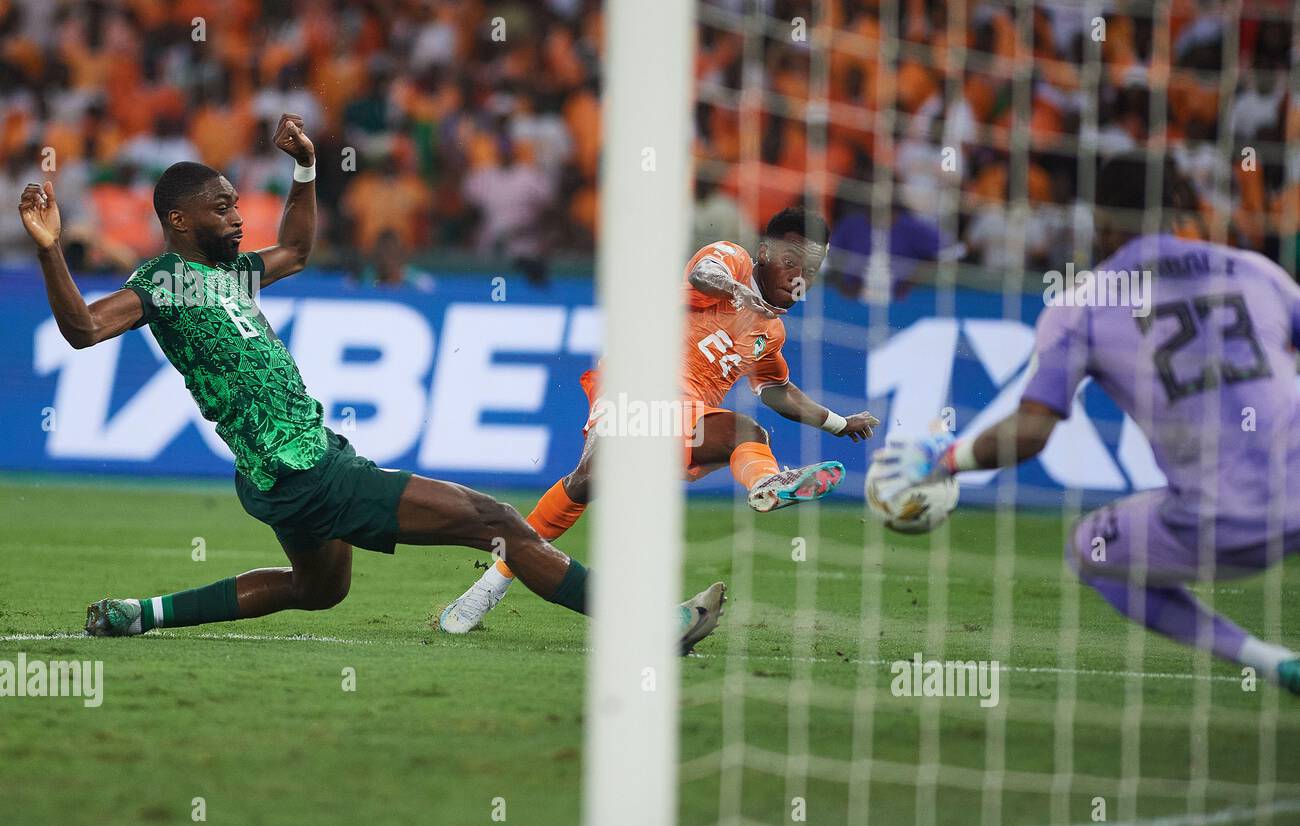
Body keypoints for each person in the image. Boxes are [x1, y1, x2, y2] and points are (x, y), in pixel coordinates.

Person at [17, 113, 727, 654]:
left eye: (237, 205)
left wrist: (305, 171)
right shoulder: (161, 282)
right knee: (496, 522)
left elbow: (295, 249)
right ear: (179, 220)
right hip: (309, 470)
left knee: (318, 590)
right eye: (222, 208)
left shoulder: (228, 273)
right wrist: (51, 252)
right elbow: (82, 328)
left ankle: (140, 615)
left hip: (279, 473)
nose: (237, 218)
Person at [872, 153, 1300, 693]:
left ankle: (1268, 661)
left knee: (1093, 551)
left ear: (1096, 218)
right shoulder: (1255, 271)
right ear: (1175, 209)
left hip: (1224, 520)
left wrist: (945, 461)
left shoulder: (1085, 305)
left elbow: (1031, 432)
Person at [440, 206, 880, 633]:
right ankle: (489, 585)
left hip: (685, 410)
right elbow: (701, 274)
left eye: (811, 269)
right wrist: (735, 289)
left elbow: (775, 389)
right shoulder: (734, 258)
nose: (800, 277)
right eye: (791, 261)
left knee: (745, 432)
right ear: (765, 252)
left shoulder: (772, 332)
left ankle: (765, 483)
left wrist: (840, 424)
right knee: (587, 482)